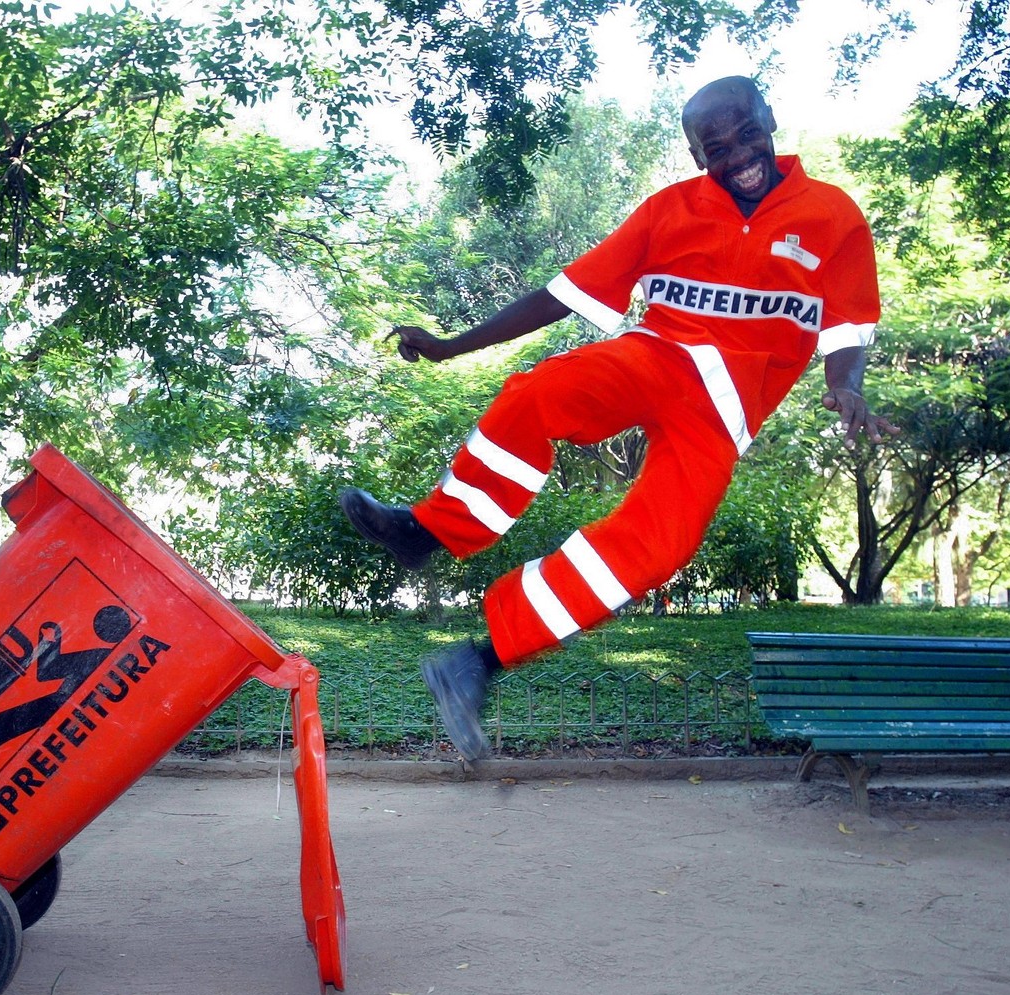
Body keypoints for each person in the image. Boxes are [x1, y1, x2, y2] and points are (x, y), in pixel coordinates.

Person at [340, 75, 897, 761]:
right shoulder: (669, 211)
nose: (738, 156)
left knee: (660, 548)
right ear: (696, 155)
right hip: (656, 358)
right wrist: (454, 346)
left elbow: (847, 327)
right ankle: (426, 531)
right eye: (716, 148)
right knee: (539, 394)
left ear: (770, 120)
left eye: (747, 134)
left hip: (724, 410)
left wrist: (846, 387)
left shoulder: (833, 215)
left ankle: (476, 665)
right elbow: (563, 294)